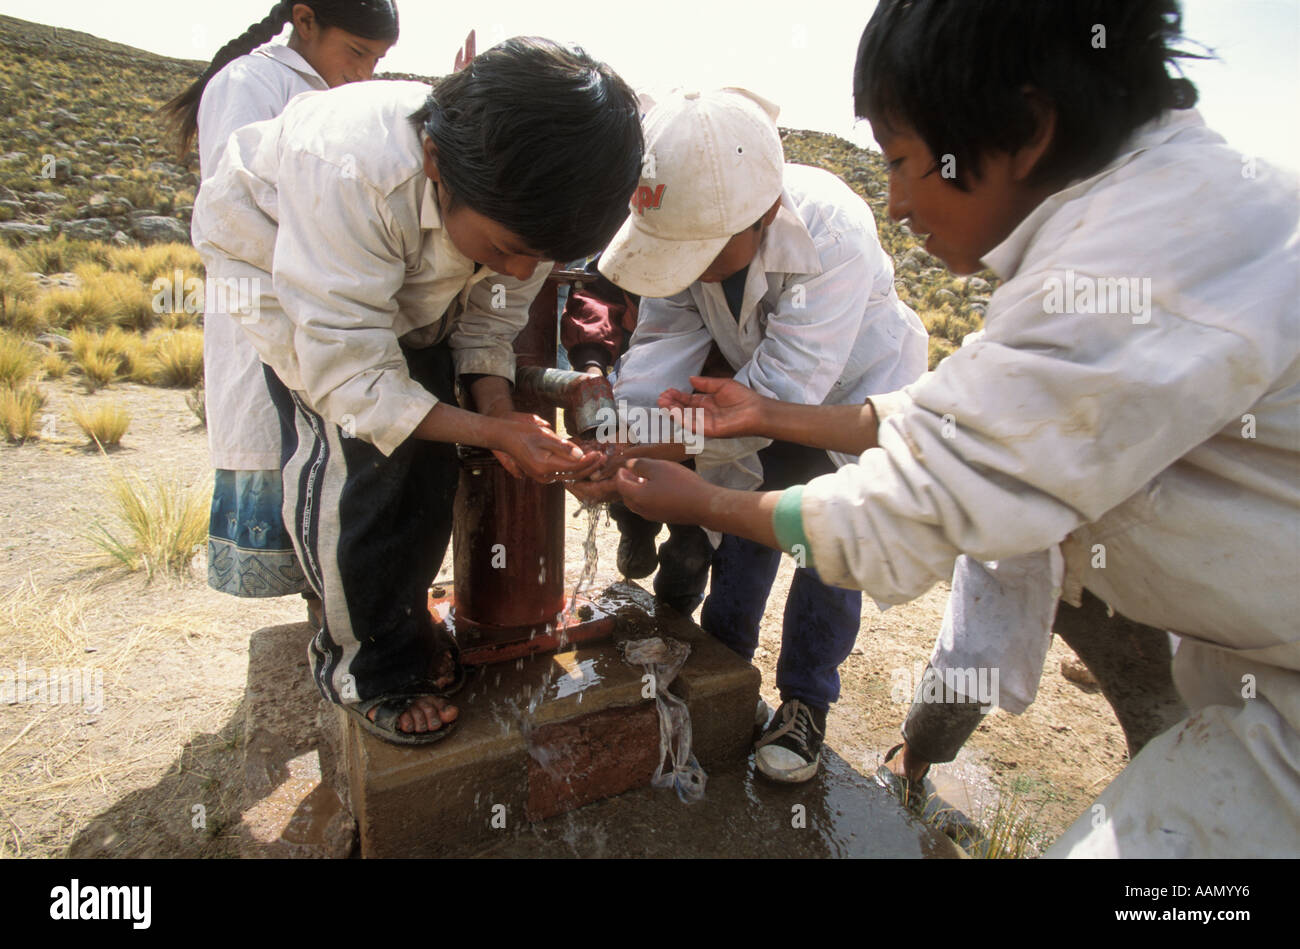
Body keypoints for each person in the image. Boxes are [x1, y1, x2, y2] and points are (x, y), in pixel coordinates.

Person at [611, 0, 1300, 856]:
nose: (895, 201)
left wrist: (703, 498)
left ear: (1029, 129)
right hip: (1266, 686)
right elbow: (953, 416)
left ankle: (805, 705)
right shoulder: (1122, 224)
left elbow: (913, 505)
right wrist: (711, 423)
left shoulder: (1146, 256)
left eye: (902, 161)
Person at [192, 37, 642, 745]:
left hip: (403, 282)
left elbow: (490, 321)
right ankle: (360, 664)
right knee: (361, 463)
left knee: (430, 460)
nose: (522, 268)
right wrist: (491, 431)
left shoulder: (519, 209)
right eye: (505, 248)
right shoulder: (348, 167)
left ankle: (393, 617)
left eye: (540, 256)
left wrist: (496, 414)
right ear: (437, 164)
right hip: (288, 271)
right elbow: (350, 369)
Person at [572, 87, 927, 783]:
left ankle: (805, 702)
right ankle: (723, 672)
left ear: (763, 214)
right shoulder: (686, 237)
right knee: (742, 537)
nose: (687, 268)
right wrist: (621, 439)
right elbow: (659, 353)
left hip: (849, 406)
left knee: (828, 545)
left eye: (701, 252)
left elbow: (784, 393)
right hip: (748, 399)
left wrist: (642, 451)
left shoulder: (832, 232)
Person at [164, 1, 399, 618]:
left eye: (377, 61)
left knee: (338, 483)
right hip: (268, 308)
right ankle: (333, 631)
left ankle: (347, 624)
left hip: (327, 305)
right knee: (302, 473)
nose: (364, 72)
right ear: (306, 19)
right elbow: (235, 208)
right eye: (357, 52)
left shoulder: (337, 94)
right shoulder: (249, 83)